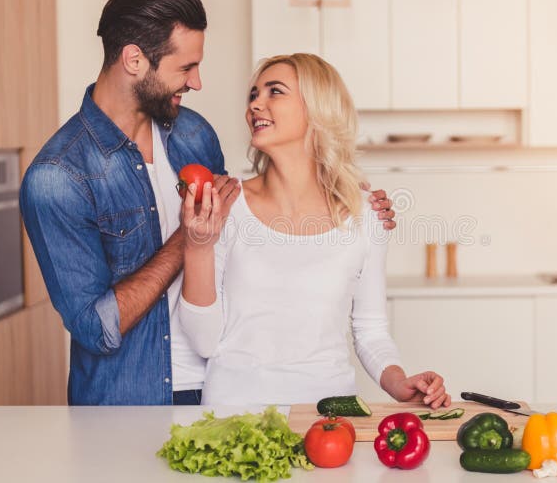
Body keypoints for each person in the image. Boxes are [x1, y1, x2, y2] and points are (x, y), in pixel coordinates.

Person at [19, 0, 396, 406]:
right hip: (133, 399)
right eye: (186, 68)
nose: (197, 83)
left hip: (221, 386)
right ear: (134, 60)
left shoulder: (193, 134)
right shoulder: (58, 177)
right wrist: (188, 238)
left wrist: (344, 199)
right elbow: (96, 329)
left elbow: (240, 238)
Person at [178, 53, 451, 408]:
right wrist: (198, 246)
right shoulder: (227, 204)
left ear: (317, 108)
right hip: (233, 415)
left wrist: (399, 382)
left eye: (275, 91)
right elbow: (204, 342)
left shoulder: (366, 214)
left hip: (327, 418)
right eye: (253, 95)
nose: (255, 105)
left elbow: (370, 330)